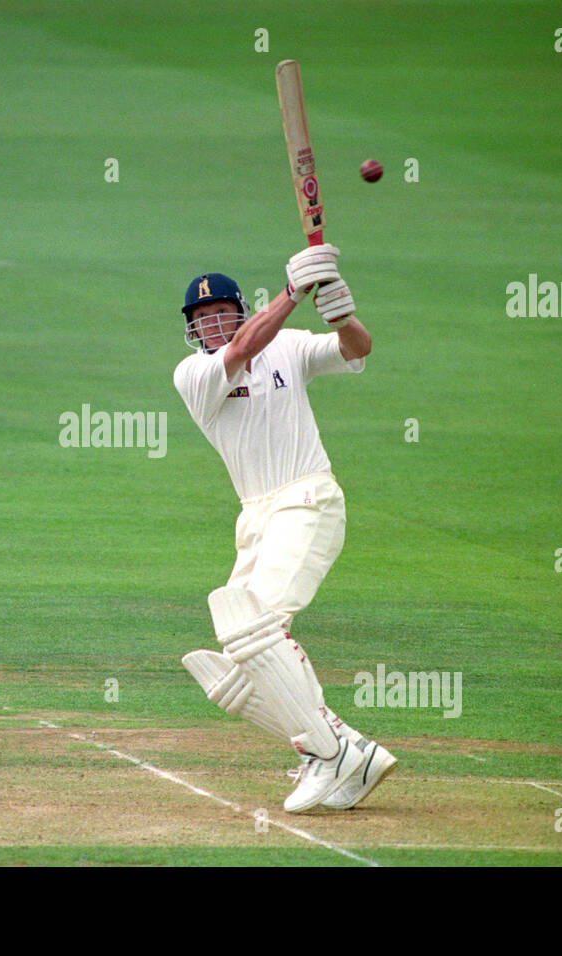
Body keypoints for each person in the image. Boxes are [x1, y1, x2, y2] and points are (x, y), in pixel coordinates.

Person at [174, 244, 396, 813]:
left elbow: (357, 351)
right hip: (256, 516)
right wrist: (296, 292)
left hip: (307, 496)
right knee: (237, 659)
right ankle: (337, 747)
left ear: (241, 310)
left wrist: (344, 317)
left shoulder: (288, 346)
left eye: (222, 313)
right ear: (192, 333)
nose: (213, 325)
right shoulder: (194, 374)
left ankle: (329, 755)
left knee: (260, 631)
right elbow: (246, 347)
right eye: (201, 321)